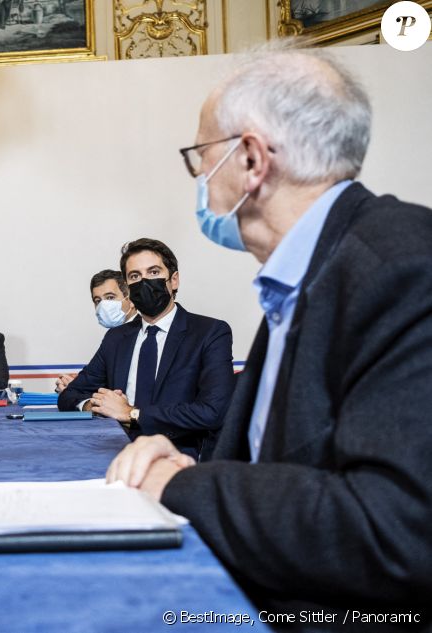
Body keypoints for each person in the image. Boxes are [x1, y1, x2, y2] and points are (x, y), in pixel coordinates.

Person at [107, 45, 432, 620]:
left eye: (201, 157)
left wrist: (178, 486)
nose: (199, 180)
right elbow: (282, 470)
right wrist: (192, 468)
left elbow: (395, 531)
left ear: (252, 160)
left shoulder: (403, 268)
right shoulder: (303, 277)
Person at [59, 239, 235, 460]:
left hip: (176, 456)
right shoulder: (116, 338)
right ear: (128, 288)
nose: (144, 281)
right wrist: (94, 406)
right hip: (114, 451)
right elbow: (70, 395)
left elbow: (212, 412)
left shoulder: (209, 332)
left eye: (153, 272)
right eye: (134, 276)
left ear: (174, 280)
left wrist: (131, 413)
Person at [55, 269, 136, 393]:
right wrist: (75, 386)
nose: (103, 305)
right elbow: (95, 380)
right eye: (98, 301)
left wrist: (77, 388)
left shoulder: (145, 331)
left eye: (110, 297)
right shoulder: (112, 337)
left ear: (130, 299)